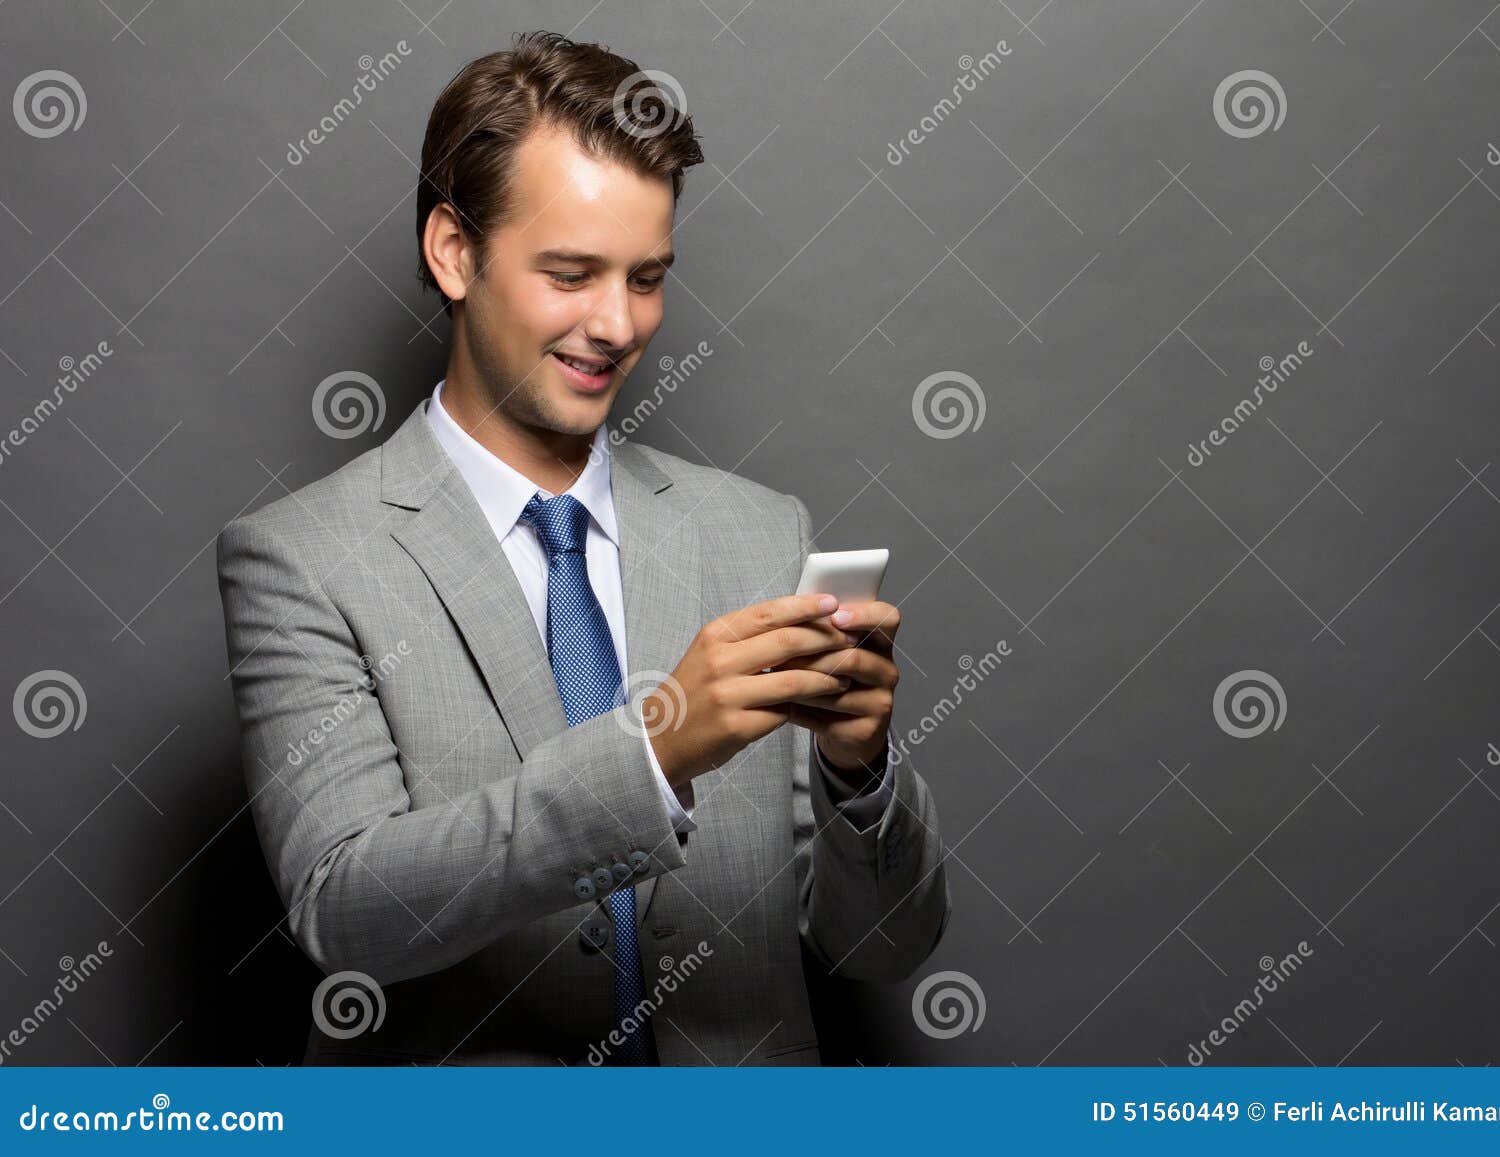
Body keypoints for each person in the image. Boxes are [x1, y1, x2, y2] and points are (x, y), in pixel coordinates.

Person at [216, 30, 950, 1066]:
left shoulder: (759, 532)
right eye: (571, 273)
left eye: (647, 277)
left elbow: (880, 947)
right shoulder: (301, 557)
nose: (616, 323)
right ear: (453, 252)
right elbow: (347, 909)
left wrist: (857, 771)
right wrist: (655, 751)